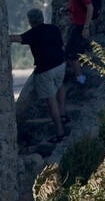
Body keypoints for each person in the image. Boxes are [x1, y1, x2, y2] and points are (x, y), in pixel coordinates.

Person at [11, 9, 67, 142]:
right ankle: (63, 113)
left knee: (50, 99)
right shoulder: (54, 29)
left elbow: (18, 38)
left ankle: (60, 132)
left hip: (45, 70)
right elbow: (61, 45)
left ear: (30, 21)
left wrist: (3, 37)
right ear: (42, 18)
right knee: (60, 86)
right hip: (60, 65)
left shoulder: (33, 33)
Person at [59, 0, 93, 86]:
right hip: (75, 24)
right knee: (71, 53)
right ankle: (79, 78)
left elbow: (90, 7)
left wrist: (86, 27)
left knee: (71, 54)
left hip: (80, 26)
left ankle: (81, 80)